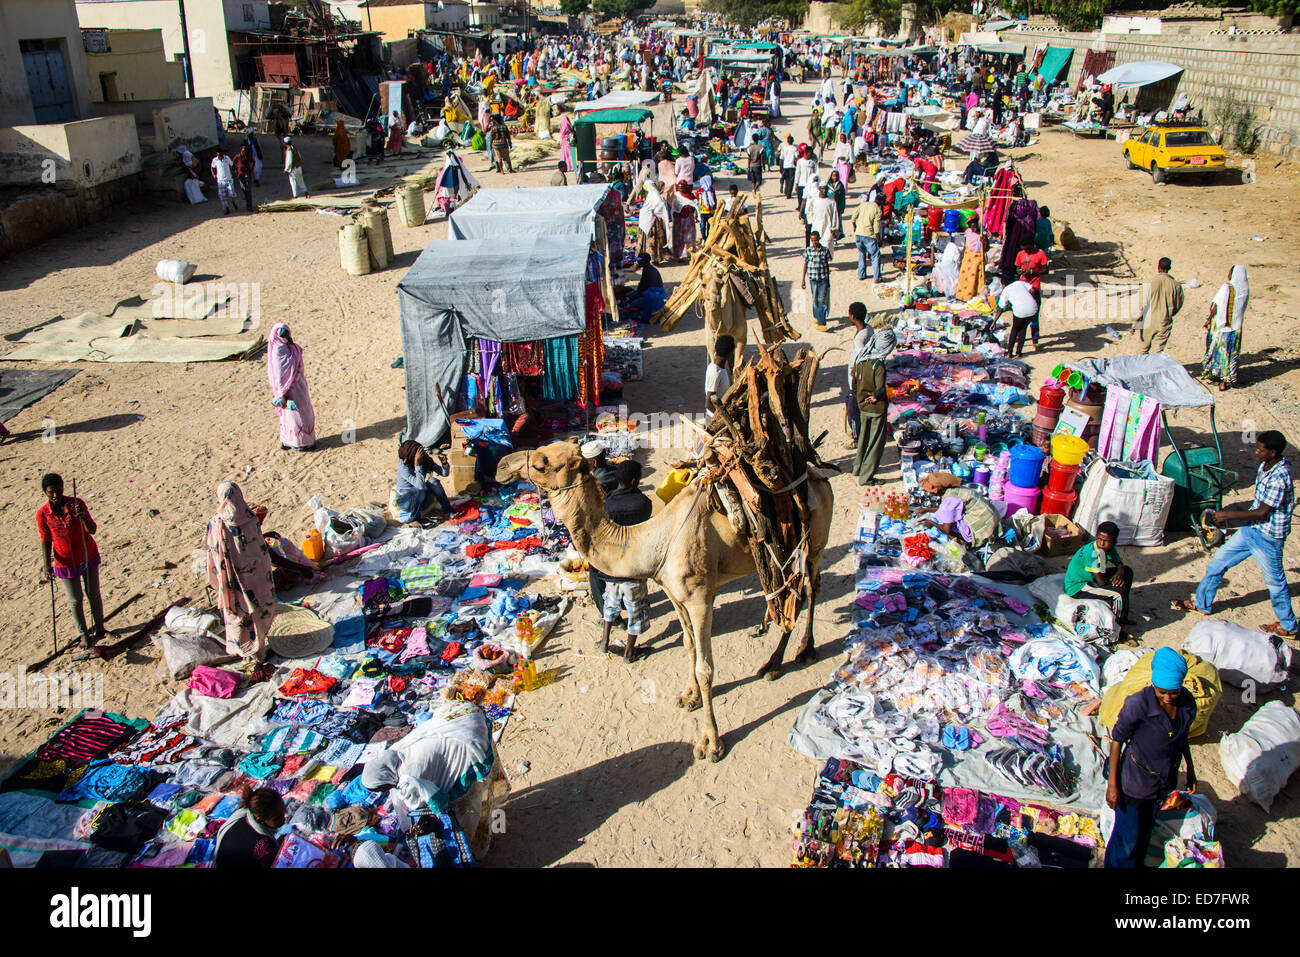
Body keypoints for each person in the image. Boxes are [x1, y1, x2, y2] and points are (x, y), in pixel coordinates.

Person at [1174, 431, 1297, 637]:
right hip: (1251, 529)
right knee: (1217, 563)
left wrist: (1227, 516)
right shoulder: (1265, 465)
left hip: (1268, 537)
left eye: (1261, 449)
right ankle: (1202, 604)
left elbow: (1262, 512)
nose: (1256, 451)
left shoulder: (1280, 477)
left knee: (1275, 583)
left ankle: (1289, 625)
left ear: (1273, 452)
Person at [1104, 647, 1196, 869]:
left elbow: (1182, 738)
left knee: (1144, 833)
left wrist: (1191, 770)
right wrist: (1113, 784)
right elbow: (1117, 739)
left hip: (1162, 783)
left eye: (1173, 692)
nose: (1167, 698)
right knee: (1127, 839)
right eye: (1162, 692)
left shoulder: (1187, 704)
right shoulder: (1138, 704)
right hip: (1135, 783)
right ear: (1154, 684)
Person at [203, 481, 276, 662]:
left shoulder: (216, 524)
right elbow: (260, 548)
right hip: (256, 579)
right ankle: (259, 649)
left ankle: (246, 650)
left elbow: (211, 551)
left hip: (232, 581)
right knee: (259, 609)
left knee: (238, 614)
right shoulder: (250, 518)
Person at [37, 473, 105, 645]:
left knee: (93, 594)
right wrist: (46, 564)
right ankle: (83, 634)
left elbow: (92, 529)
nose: (56, 495)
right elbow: (45, 539)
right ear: (45, 492)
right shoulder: (43, 514)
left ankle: (100, 629)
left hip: (87, 555)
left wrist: (82, 517)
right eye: (51, 492)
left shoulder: (77, 504)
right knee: (75, 599)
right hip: (65, 562)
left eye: (58, 490)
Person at [599, 459, 654, 661]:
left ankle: (604, 642)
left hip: (611, 566)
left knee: (610, 602)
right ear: (634, 480)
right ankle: (629, 651)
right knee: (636, 608)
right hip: (633, 566)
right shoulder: (643, 504)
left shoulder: (606, 503)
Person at [1065, 520, 1134, 629]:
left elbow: (1119, 564)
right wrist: (1114, 584)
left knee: (1127, 571)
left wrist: (1119, 573)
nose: (1102, 543)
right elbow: (1101, 582)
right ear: (1096, 536)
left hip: (1095, 577)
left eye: (1106, 541)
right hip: (1079, 585)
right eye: (1099, 539)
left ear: (1114, 542)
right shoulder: (1092, 553)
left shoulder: (1109, 549)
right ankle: (1117, 628)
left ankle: (1122, 612)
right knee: (1119, 594)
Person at [267, 324, 316, 451]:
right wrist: (282, 391)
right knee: (292, 415)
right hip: (289, 389)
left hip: (297, 387)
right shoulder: (279, 350)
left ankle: (302, 441)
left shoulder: (289, 348)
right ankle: (294, 441)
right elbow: (278, 373)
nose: (285, 336)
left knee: (301, 412)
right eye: (283, 334)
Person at [850, 324, 889, 485]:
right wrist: (876, 396)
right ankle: (866, 477)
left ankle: (857, 468)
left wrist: (861, 397)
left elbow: (854, 383)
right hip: (876, 408)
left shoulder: (861, 360)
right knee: (875, 443)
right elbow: (880, 388)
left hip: (862, 406)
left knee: (863, 438)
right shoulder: (878, 365)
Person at [1202, 264, 1249, 391]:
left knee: (1219, 351)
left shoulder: (1227, 287)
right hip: (1236, 327)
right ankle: (1228, 378)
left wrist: (1208, 319)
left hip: (1223, 327)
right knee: (1231, 353)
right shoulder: (1245, 289)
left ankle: (1218, 377)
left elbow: (1216, 304)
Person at [214, 786, 284, 868]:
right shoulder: (264, 845)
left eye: (283, 812)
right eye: (276, 819)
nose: (283, 819)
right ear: (260, 820)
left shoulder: (241, 815)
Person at [1131, 257, 1184, 354]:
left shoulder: (1150, 283)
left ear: (1158, 267)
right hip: (1164, 320)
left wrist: (1136, 322)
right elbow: (1178, 305)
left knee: (1143, 349)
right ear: (1169, 268)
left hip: (1148, 320)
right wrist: (1169, 313)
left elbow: (1142, 305)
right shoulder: (1176, 285)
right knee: (1158, 352)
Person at [395, 439, 452, 525]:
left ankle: (448, 512)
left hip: (421, 498)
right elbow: (420, 486)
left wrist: (444, 463)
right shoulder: (404, 469)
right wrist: (418, 466)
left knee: (433, 481)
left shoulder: (425, 461)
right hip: (406, 501)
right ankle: (414, 518)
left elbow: (444, 474)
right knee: (416, 490)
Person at [997, 277, 1038, 358]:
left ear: (1003, 284)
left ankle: (1009, 353)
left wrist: (994, 322)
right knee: (1023, 329)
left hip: (1020, 311)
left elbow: (1000, 308)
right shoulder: (1020, 283)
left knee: (1014, 330)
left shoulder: (1005, 290)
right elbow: (1032, 289)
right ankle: (1019, 352)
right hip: (1033, 308)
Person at [802, 230, 832, 332]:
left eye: (815, 240)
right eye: (812, 240)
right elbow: (805, 265)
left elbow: (827, 264)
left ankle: (821, 322)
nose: (814, 242)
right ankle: (817, 315)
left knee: (821, 300)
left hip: (823, 278)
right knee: (815, 299)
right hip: (813, 278)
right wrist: (803, 280)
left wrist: (828, 279)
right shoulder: (808, 251)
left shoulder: (825, 250)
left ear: (819, 239)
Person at [853, 191, 882, 283]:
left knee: (862, 254)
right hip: (869, 235)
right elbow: (876, 228)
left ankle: (861, 274)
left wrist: (855, 227)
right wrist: (879, 240)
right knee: (875, 255)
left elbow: (853, 217)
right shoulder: (877, 210)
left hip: (859, 234)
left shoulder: (863, 205)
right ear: (880, 201)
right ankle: (876, 276)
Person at [705, 334, 734, 423]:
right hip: (714, 418)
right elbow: (708, 403)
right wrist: (722, 419)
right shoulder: (716, 373)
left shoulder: (718, 368)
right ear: (729, 354)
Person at [806, 185, 837, 262]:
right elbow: (808, 211)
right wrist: (811, 221)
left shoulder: (831, 201)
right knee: (816, 244)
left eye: (826, 188)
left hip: (828, 227)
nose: (825, 190)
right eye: (823, 188)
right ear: (819, 189)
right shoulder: (814, 200)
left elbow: (835, 215)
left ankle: (825, 262)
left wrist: (834, 227)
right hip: (816, 226)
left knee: (827, 244)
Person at [210, 147, 236, 215]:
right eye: (218, 154)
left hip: (229, 179)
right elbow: (212, 167)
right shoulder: (215, 160)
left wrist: (233, 173)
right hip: (220, 181)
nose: (219, 155)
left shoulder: (227, 158)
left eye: (220, 154)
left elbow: (232, 165)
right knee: (222, 196)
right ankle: (226, 207)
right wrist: (213, 174)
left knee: (232, 193)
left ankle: (234, 202)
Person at [232, 143, 255, 213]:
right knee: (243, 189)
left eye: (245, 150)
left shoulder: (248, 156)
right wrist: (235, 171)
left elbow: (253, 162)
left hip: (247, 174)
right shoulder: (237, 157)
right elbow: (232, 164)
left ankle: (249, 206)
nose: (244, 151)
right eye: (243, 150)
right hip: (240, 175)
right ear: (241, 150)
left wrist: (251, 169)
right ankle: (246, 197)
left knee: (248, 191)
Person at [779, 134, 798, 199]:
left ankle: (786, 191)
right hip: (791, 166)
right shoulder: (794, 148)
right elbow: (796, 157)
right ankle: (788, 194)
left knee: (786, 179)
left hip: (785, 165)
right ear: (792, 141)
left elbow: (781, 158)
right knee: (791, 180)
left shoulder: (784, 148)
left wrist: (780, 167)